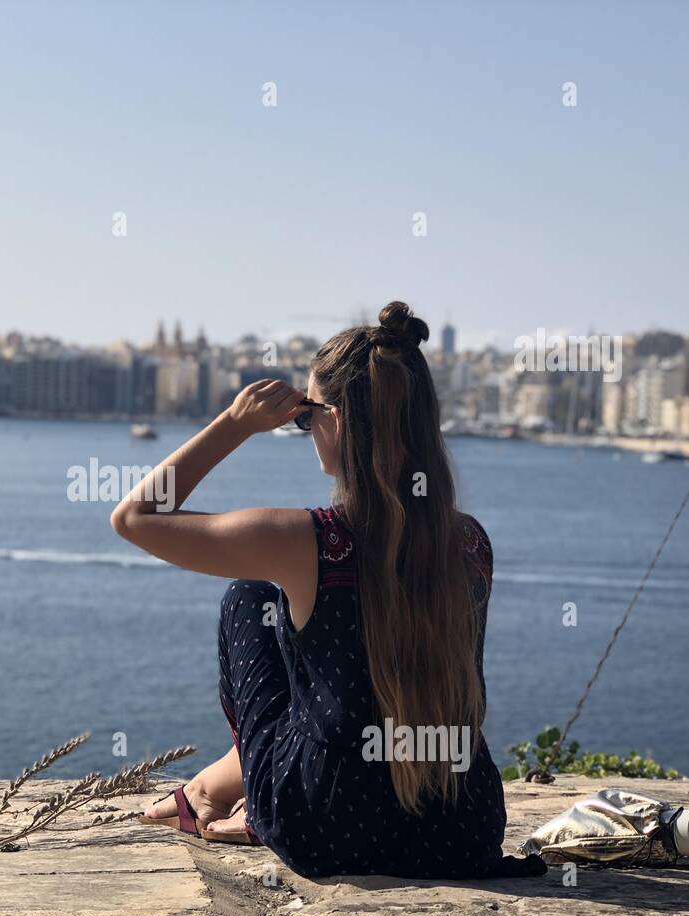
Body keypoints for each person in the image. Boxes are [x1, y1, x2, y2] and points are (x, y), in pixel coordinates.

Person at [111, 301, 541, 878]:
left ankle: (226, 795)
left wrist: (236, 422)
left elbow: (136, 517)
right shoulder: (469, 543)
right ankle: (214, 788)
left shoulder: (305, 541)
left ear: (336, 420)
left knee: (253, 600)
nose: (306, 431)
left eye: (306, 417)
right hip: (462, 829)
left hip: (328, 823)